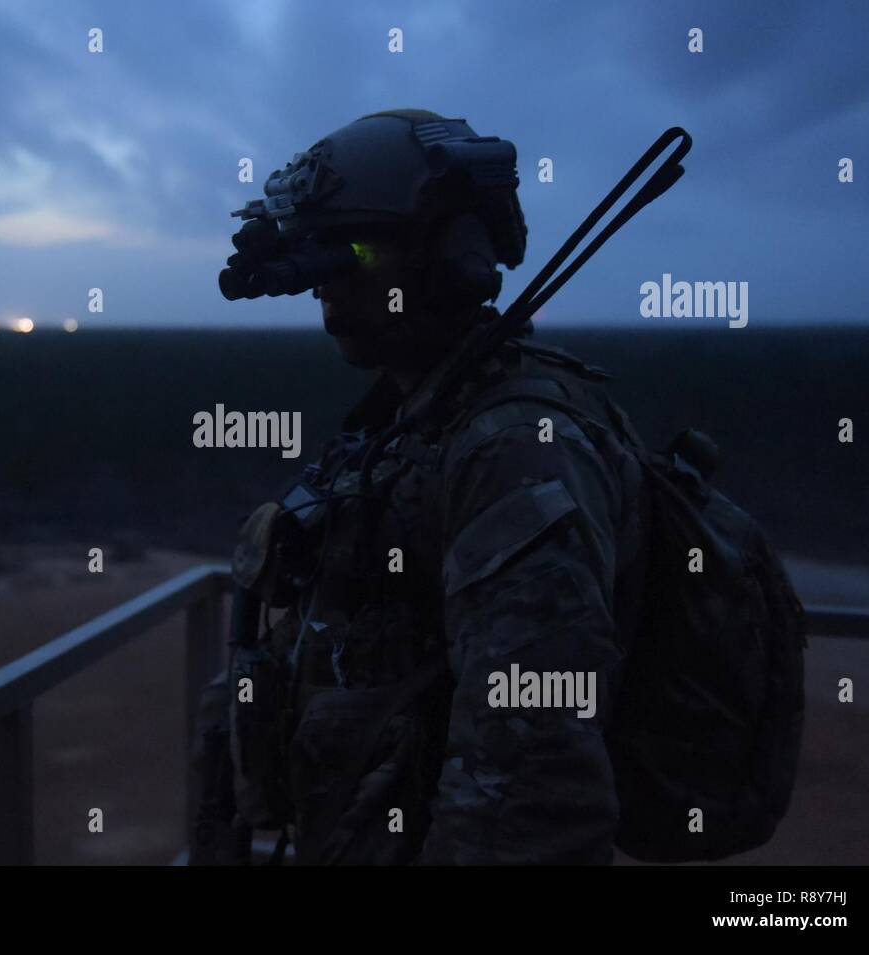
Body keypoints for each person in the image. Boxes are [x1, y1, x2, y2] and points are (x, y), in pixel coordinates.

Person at [191, 108, 651, 865]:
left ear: (456, 257)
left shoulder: (517, 449)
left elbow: (533, 792)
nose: (329, 289)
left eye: (360, 252)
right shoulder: (407, 423)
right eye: (322, 256)